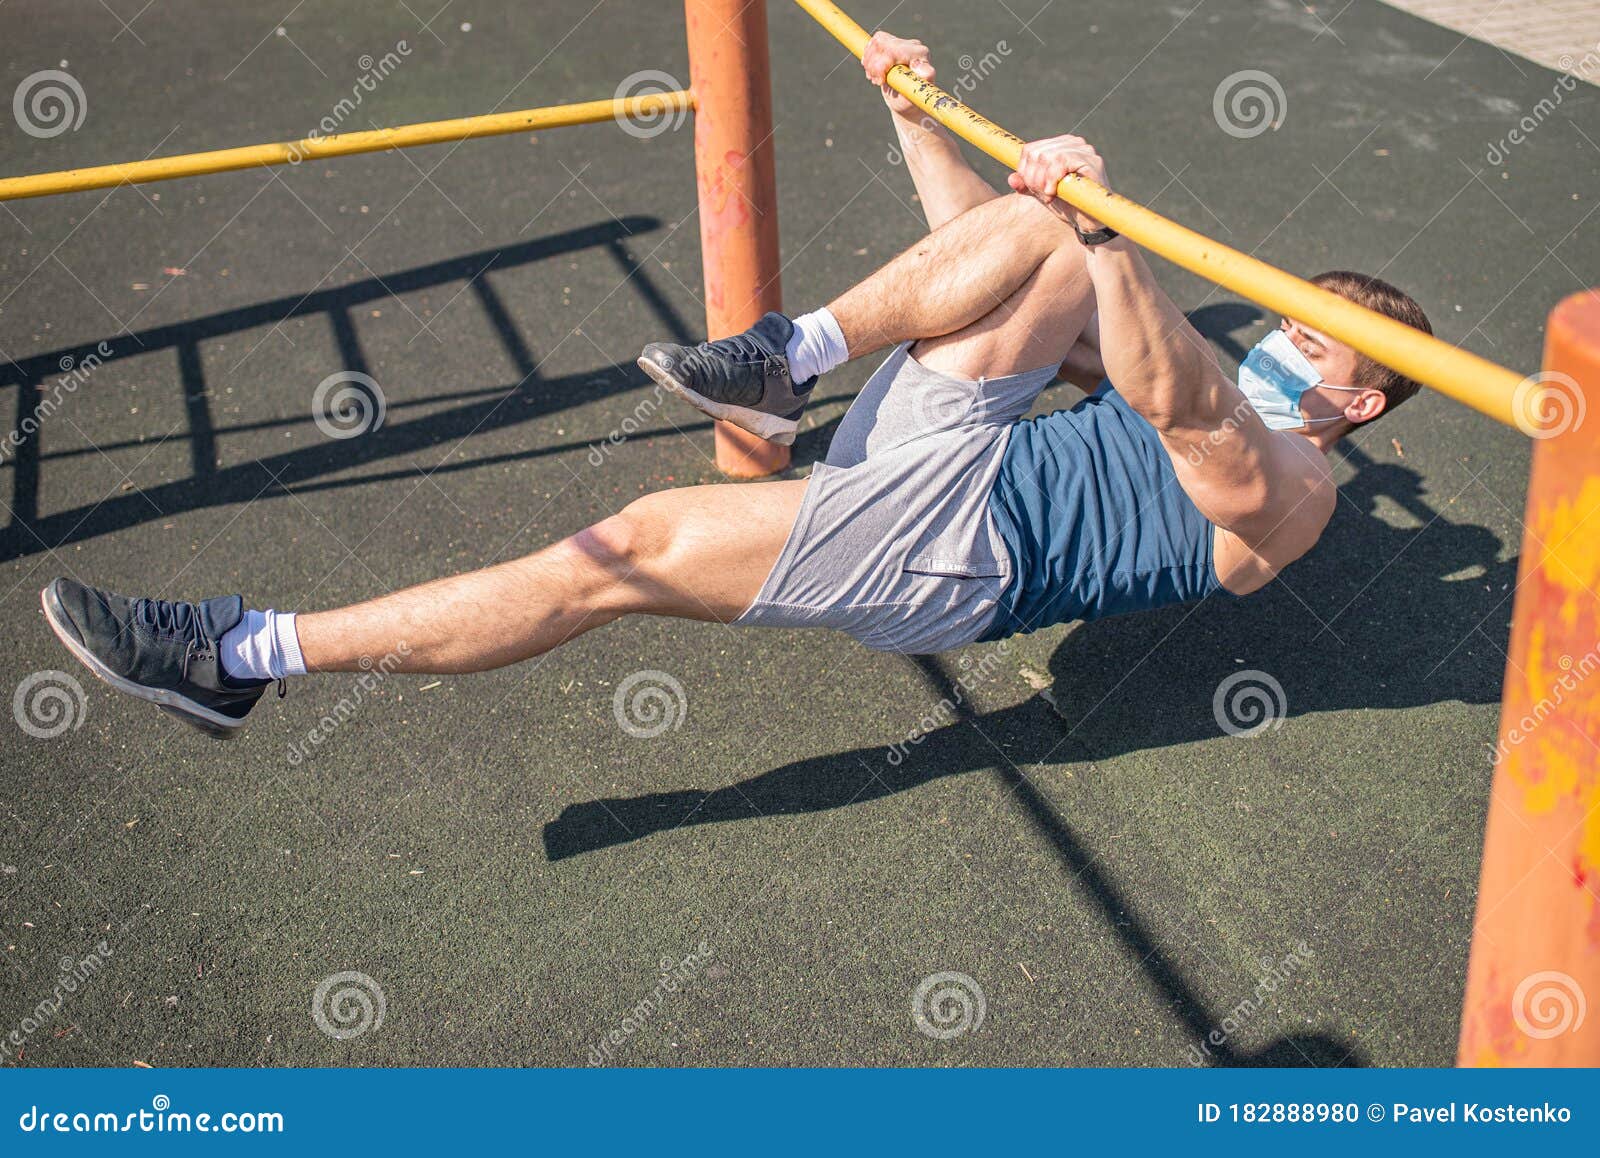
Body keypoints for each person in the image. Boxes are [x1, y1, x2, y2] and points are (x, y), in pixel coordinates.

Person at [40, 32, 1431, 739]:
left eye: (1319, 346)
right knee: (1038, 247)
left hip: (969, 550)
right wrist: (915, 115)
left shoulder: (1297, 491)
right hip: (951, 450)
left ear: (1360, 405)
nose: (1287, 345)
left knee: (626, 548)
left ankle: (238, 658)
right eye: (1299, 320)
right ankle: (791, 361)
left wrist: (1105, 234)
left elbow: (1190, 414)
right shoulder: (1150, 341)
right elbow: (989, 266)